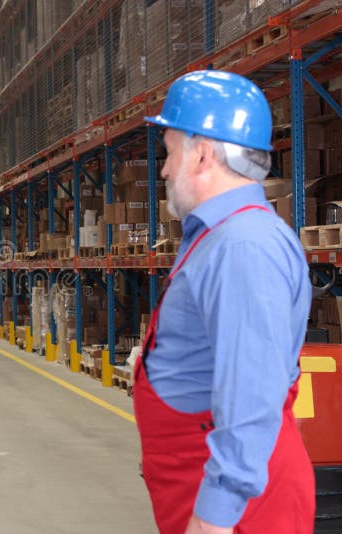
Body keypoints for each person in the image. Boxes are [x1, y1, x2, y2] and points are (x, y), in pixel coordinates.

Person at [135, 69, 314, 534]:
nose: (165, 169)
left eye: (170, 151)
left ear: (202, 153)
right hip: (203, 478)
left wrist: (215, 517)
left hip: (241, 511)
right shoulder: (222, 237)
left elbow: (251, 395)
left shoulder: (242, 247)